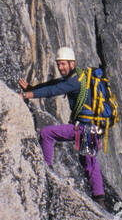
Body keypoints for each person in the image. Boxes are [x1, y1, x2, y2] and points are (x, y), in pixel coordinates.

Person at [19, 47, 106, 205]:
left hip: (85, 128)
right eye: (59, 64)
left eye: (63, 64)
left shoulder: (74, 81)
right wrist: (33, 89)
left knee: (47, 133)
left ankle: (47, 171)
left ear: (72, 64)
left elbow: (55, 90)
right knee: (88, 161)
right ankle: (99, 198)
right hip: (91, 128)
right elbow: (55, 83)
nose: (60, 68)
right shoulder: (80, 76)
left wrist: (27, 95)